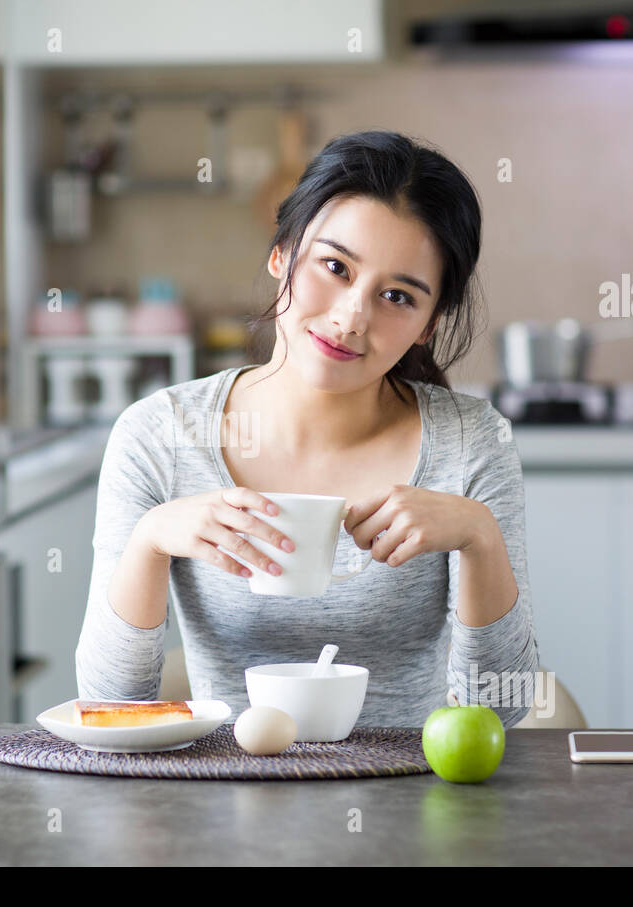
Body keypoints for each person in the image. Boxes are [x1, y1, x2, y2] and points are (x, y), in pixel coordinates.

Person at [74, 130, 539, 729]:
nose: (352, 317)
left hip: (412, 803)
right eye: (334, 267)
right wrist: (148, 541)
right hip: (219, 800)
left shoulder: (472, 443)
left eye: (397, 296)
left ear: (427, 325)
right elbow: (111, 705)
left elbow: (500, 708)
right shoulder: (158, 436)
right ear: (282, 254)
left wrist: (480, 538)